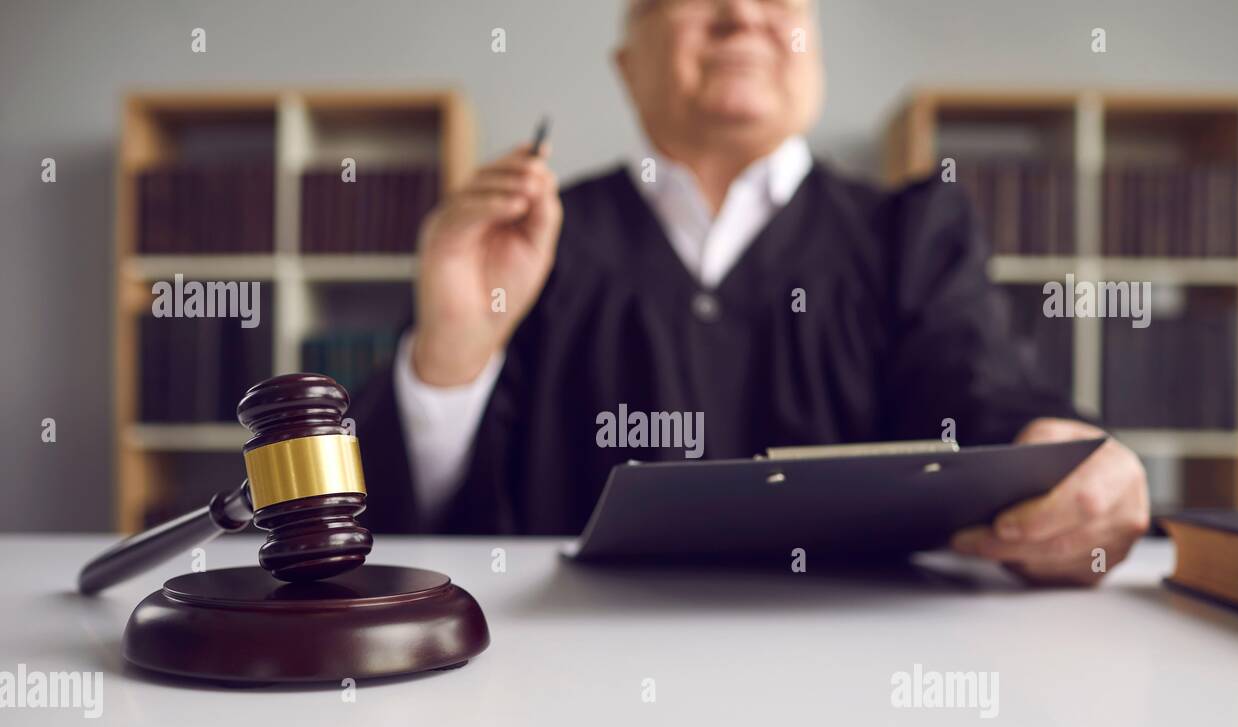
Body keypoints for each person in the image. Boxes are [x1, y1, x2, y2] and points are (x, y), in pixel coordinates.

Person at [351, 0, 1149, 586]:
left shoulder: (911, 236)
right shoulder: (524, 249)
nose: (741, 13)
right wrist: (449, 356)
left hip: (861, 707)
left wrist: (1061, 470)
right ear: (626, 63)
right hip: (570, 709)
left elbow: (983, 397)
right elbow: (410, 534)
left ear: (814, 52)